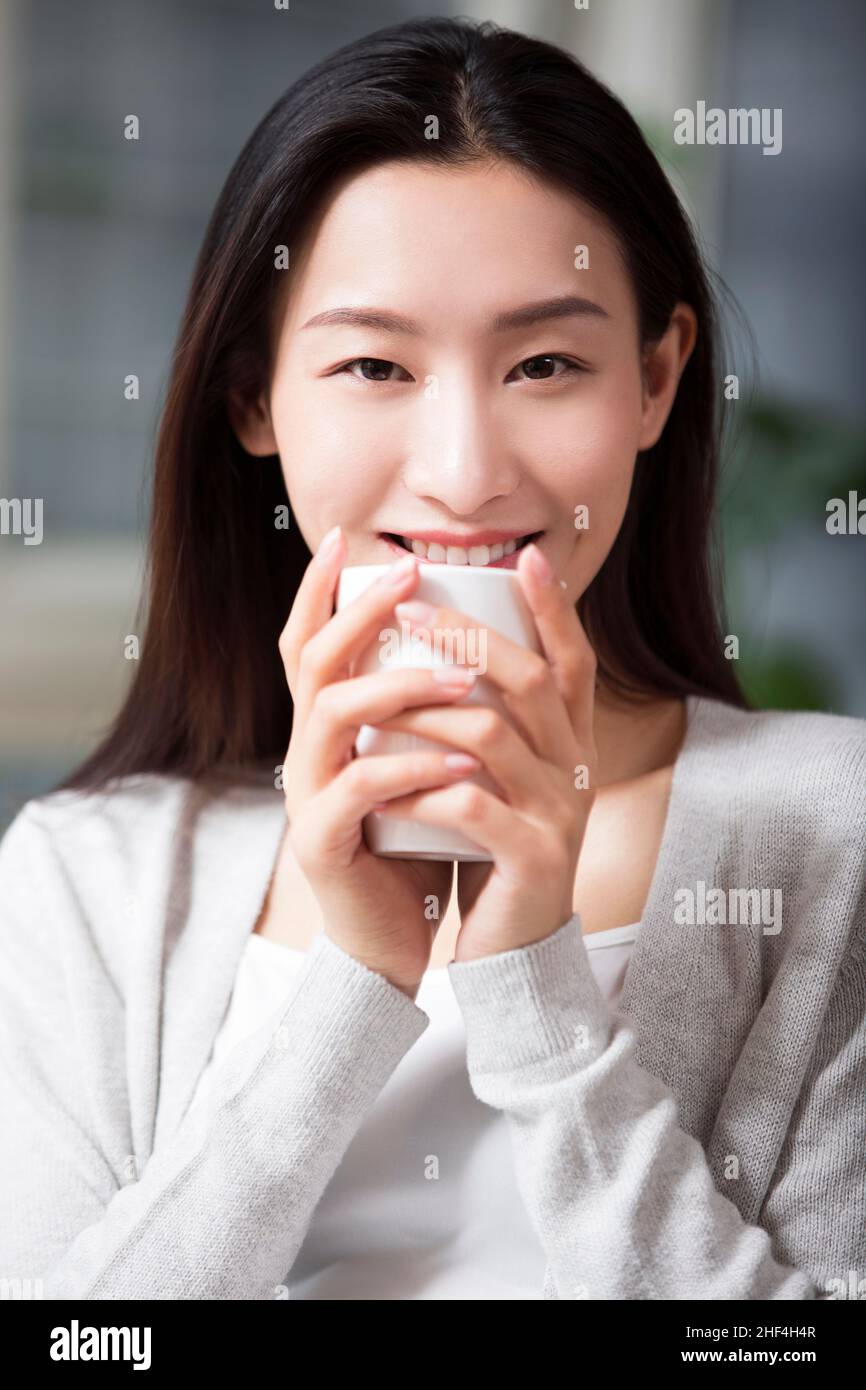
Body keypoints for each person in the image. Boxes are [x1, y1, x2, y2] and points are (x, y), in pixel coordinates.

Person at [1, 16, 863, 1302]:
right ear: (252, 398)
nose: (464, 471)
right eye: (372, 363)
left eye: (545, 363)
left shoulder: (834, 832)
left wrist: (531, 987)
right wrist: (354, 980)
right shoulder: (92, 876)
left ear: (655, 379)